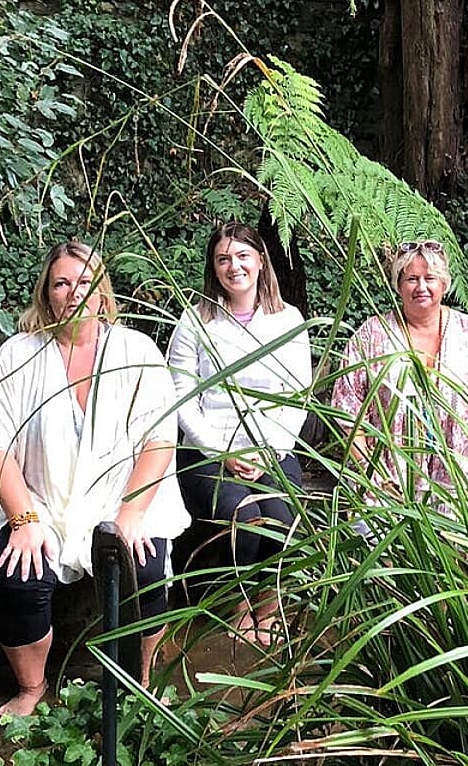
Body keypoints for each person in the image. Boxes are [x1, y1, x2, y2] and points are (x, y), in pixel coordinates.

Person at [0, 241, 189, 716]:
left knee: (147, 571)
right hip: (37, 500)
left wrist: (131, 513)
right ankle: (31, 687)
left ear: (102, 293)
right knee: (18, 575)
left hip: (122, 499)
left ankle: (145, 681)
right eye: (62, 283)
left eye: (84, 282)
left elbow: (159, 441)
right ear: (47, 295)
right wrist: (24, 519)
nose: (74, 293)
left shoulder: (136, 350)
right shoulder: (16, 355)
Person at [167, 222, 312, 647]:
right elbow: (181, 394)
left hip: (272, 450)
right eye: (223, 259)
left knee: (283, 522)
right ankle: (240, 605)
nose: (235, 266)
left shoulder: (288, 320)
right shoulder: (195, 320)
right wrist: (221, 451)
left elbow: (297, 394)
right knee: (245, 519)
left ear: (261, 260)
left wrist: (271, 451)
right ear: (214, 269)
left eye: (243, 256)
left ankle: (268, 604)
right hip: (208, 453)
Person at [331, 239, 468, 535]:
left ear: (444, 284)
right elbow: (348, 413)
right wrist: (370, 471)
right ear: (398, 285)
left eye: (430, 278)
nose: (421, 287)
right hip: (388, 483)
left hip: (463, 482)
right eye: (412, 279)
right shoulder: (372, 335)